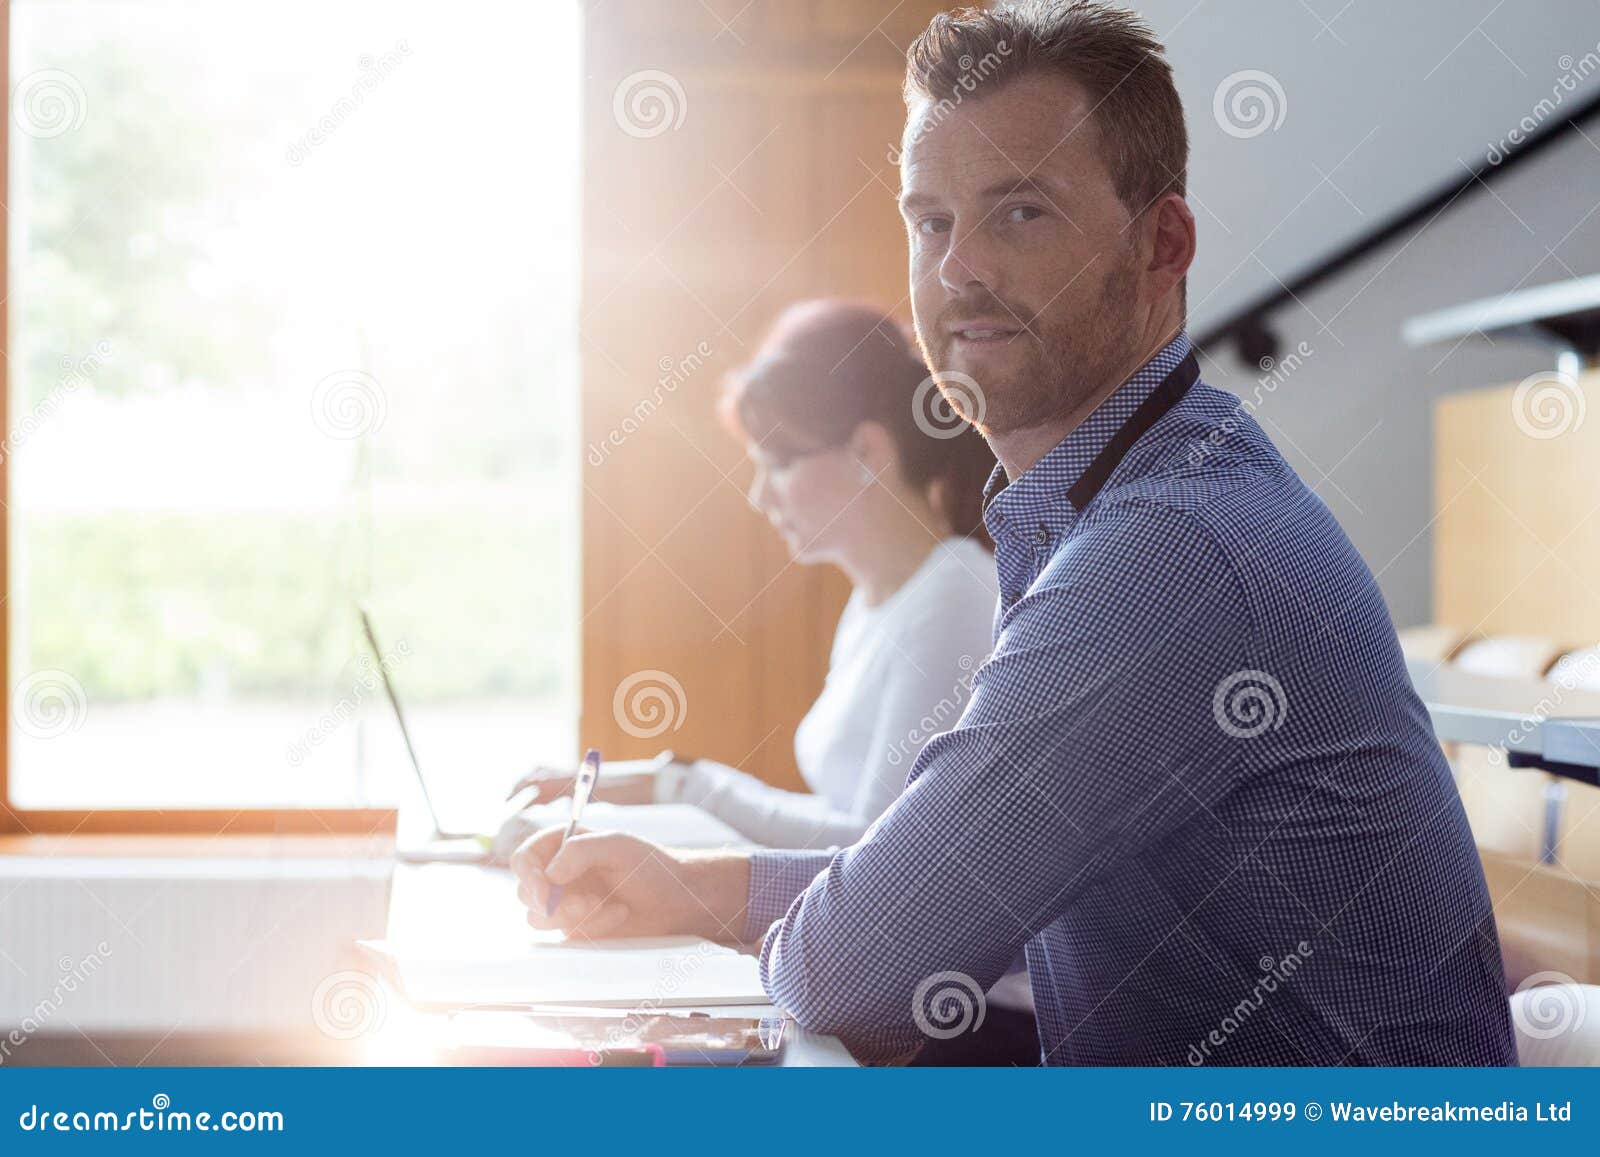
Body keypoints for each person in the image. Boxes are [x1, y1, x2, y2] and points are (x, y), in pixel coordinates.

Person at [512, 0, 1517, 1066]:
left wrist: (741, 900)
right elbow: (929, 886)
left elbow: (854, 958)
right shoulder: (1114, 506)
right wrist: (692, 886)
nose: (958, 269)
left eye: (1021, 212)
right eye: (931, 222)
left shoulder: (1168, 548)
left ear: (1163, 244)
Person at [495, 300, 998, 855]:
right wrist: (647, 788)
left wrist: (686, 788)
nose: (760, 496)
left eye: (779, 464)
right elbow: (835, 818)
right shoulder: (877, 601)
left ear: (866, 451)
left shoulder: (954, 597)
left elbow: (874, 848)